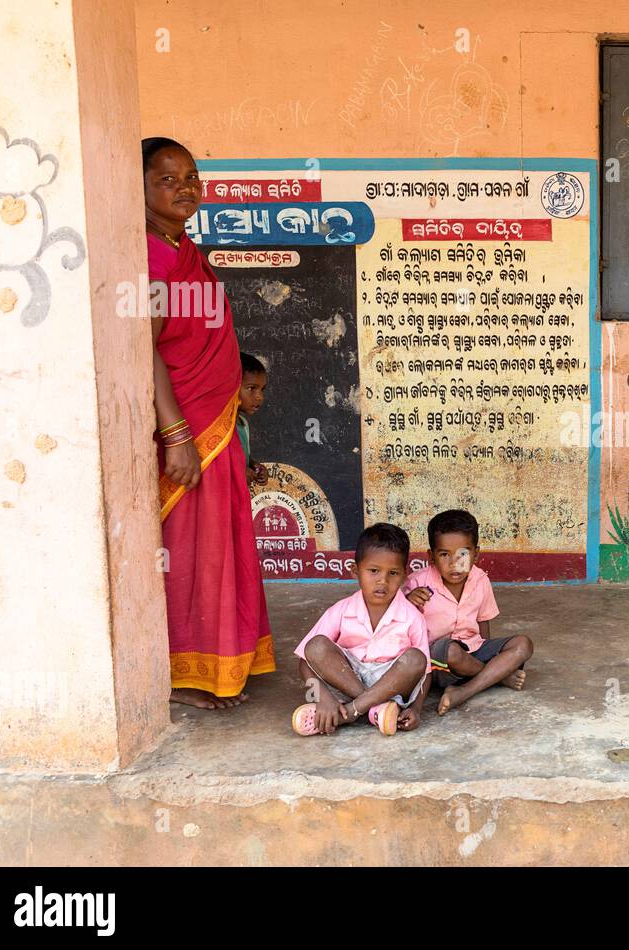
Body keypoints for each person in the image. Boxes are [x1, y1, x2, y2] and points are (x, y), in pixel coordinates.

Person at [143, 136, 274, 710]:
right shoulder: (148, 254)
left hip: (214, 429)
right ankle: (176, 673)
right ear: (136, 185)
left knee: (218, 547)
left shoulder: (182, 247)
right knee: (186, 549)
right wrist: (175, 434)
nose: (185, 188)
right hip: (187, 432)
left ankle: (220, 658)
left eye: (191, 176)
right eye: (167, 179)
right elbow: (142, 349)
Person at [292, 524, 429, 736]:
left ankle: (346, 713)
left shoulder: (412, 617)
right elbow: (305, 661)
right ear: (355, 571)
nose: (383, 581)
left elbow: (425, 672)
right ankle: (372, 710)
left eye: (393, 573)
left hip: (390, 686)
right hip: (345, 682)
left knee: (416, 659)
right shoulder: (341, 611)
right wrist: (321, 697)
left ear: (404, 576)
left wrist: (416, 709)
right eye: (373, 571)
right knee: (316, 646)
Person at [403, 509, 533, 716]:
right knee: (451, 651)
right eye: (444, 554)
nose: (454, 563)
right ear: (431, 557)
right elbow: (396, 622)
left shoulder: (480, 580)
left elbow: (483, 622)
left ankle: (464, 691)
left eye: (463, 554)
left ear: (476, 554)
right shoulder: (417, 583)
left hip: (472, 651)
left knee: (523, 644)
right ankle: (496, 676)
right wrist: (407, 602)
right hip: (438, 660)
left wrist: (488, 653)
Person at [237, 352, 269, 487]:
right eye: (251, 388)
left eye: (262, 390)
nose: (259, 397)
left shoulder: (243, 424)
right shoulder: (218, 426)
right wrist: (238, 472)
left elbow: (244, 457)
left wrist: (254, 465)